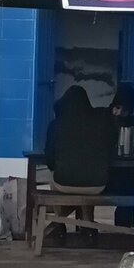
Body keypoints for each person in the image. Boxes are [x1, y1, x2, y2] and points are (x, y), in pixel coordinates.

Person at [44, 85, 114, 243]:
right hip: (97, 185)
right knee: (89, 175)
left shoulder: (56, 125)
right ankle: (88, 227)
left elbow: (50, 162)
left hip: (63, 183)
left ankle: (59, 224)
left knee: (56, 176)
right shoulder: (100, 123)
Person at [107, 84, 134, 227]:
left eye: (124, 109)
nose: (119, 113)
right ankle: (126, 232)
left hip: (119, 179)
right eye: (117, 108)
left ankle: (124, 230)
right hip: (113, 179)